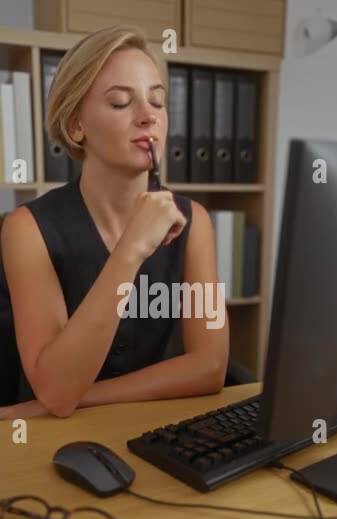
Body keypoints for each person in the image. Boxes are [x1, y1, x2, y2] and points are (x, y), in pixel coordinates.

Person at [0, 25, 229, 420]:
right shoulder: (26, 229)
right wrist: (131, 249)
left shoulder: (196, 223)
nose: (147, 118)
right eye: (121, 103)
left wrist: (78, 398)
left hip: (155, 431)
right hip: (51, 444)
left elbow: (210, 367)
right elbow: (56, 387)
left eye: (157, 102)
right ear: (76, 126)